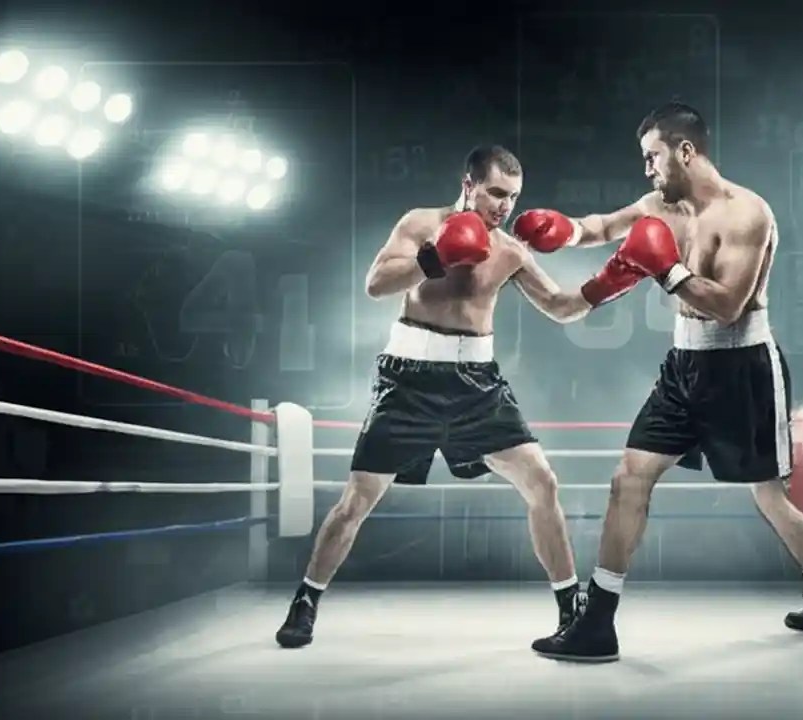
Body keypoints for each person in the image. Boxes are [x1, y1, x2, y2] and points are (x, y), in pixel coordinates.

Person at [511, 102, 803, 662]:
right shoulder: (657, 206)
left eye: (653, 156)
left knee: (770, 498)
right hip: (682, 368)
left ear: (685, 151)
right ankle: (597, 624)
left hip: (743, 368)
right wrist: (562, 230)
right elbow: (603, 227)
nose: (647, 169)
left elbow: (727, 305)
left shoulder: (747, 214)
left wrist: (666, 268)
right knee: (628, 480)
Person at [274, 144, 648, 649]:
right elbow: (376, 284)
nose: (504, 206)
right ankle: (306, 600)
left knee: (542, 482)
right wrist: (434, 257)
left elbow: (561, 307)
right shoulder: (421, 223)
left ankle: (570, 608)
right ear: (469, 184)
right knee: (357, 499)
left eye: (512, 197)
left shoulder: (511, 250)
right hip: (409, 381)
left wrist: (614, 279)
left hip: (477, 386)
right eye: (495, 193)